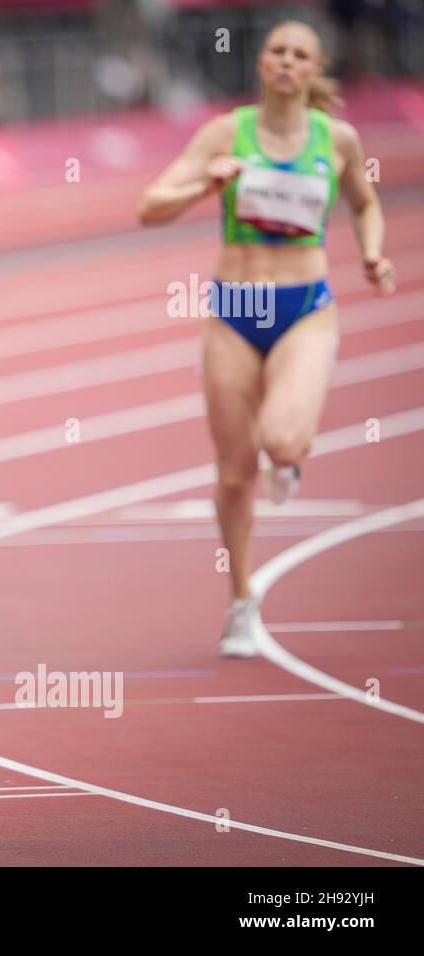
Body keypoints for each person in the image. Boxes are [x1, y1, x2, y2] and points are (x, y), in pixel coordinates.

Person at [136, 20, 394, 657]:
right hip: (233, 309)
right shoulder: (229, 132)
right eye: (277, 51)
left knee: (281, 441)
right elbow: (150, 205)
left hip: (304, 307)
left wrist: (372, 253)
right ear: (261, 64)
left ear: (314, 71)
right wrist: (207, 183)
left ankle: (293, 456)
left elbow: (364, 201)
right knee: (233, 474)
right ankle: (241, 601)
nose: (286, 61)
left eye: (300, 54)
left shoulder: (337, 138)